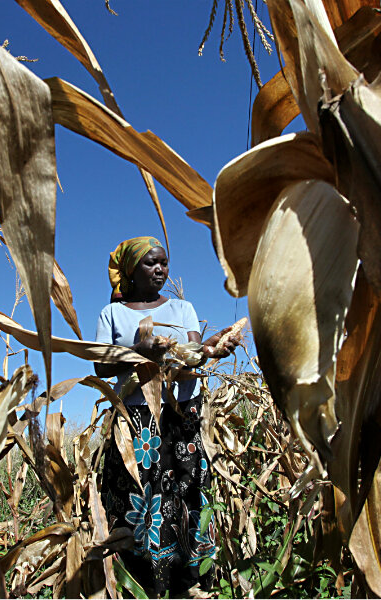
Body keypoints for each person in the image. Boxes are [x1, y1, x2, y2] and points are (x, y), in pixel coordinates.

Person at [94, 236, 238, 598]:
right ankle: (140, 583)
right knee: (139, 497)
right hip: (136, 420)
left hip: (181, 415)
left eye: (164, 263)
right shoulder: (113, 314)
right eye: (151, 263)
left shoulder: (182, 308)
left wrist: (214, 347)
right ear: (131, 269)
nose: (160, 270)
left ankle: (189, 583)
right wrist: (138, 350)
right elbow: (100, 365)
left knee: (185, 494)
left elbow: (194, 354)